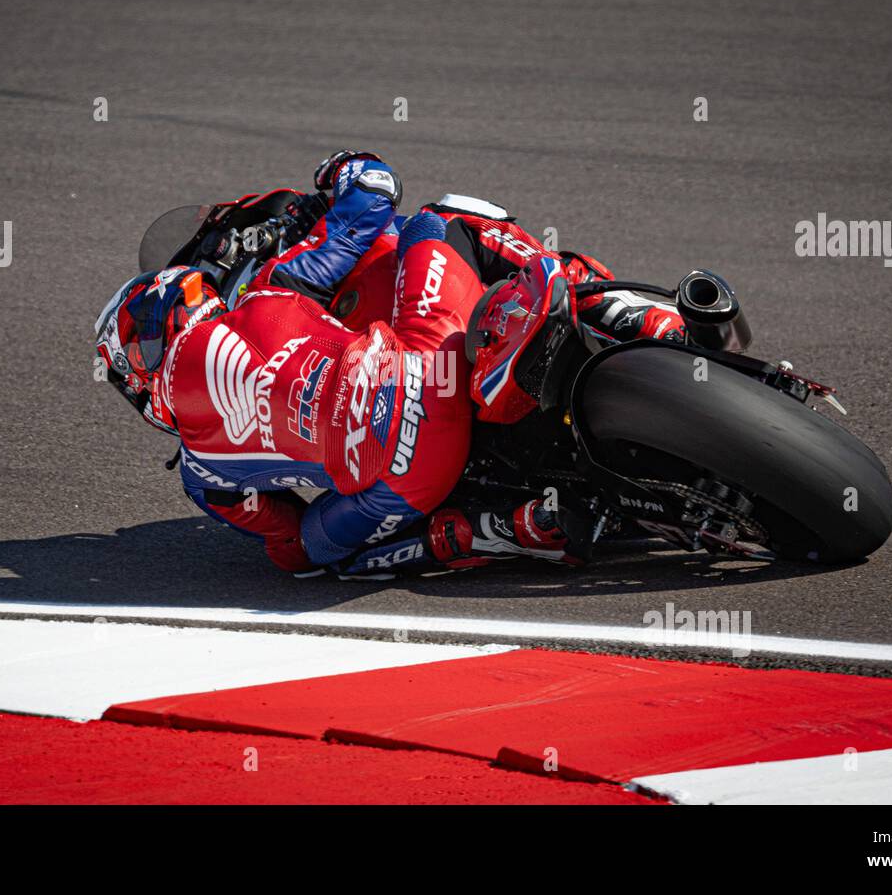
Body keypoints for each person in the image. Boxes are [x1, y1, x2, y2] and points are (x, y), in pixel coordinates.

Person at [95, 151, 685, 577]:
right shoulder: (268, 293)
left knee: (328, 554)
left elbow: (289, 551)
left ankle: (499, 530)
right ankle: (614, 308)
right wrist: (340, 172)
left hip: (408, 480)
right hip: (433, 365)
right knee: (444, 219)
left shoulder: (202, 477)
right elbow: (371, 198)